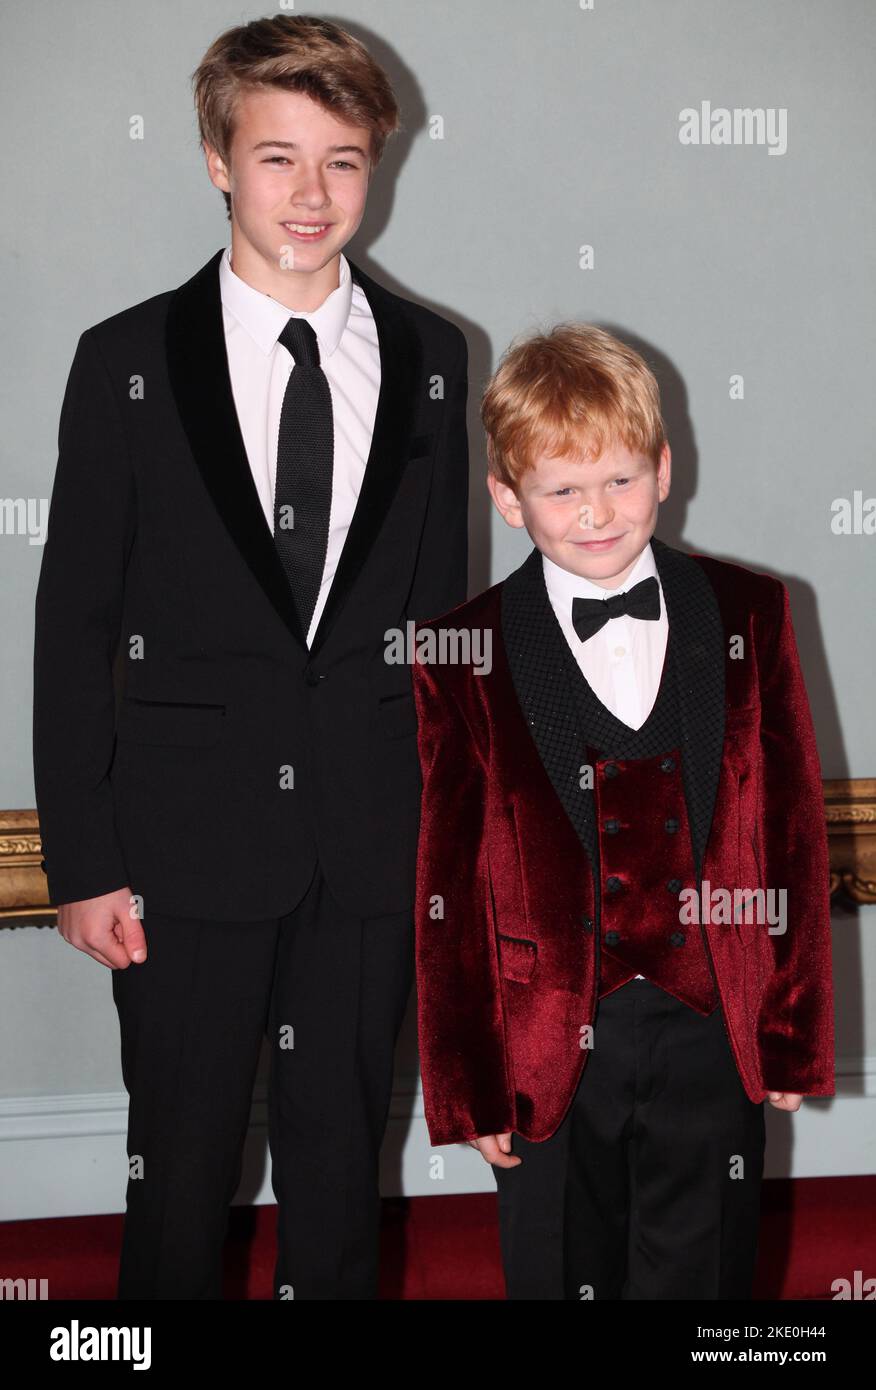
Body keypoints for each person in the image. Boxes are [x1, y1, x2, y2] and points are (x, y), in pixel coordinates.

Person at [33, 13, 469, 1300]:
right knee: (177, 1176)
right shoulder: (122, 363)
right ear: (218, 160)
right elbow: (72, 626)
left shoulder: (434, 360)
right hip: (176, 853)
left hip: (368, 844)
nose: (313, 195)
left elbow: (434, 625)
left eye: (343, 161)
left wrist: (440, 846)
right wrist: (86, 861)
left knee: (345, 1169)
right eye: (278, 158)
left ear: (376, 167)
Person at [411, 323, 834, 1299]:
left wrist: (792, 1032)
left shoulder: (751, 612)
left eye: (621, 480)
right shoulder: (461, 651)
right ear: (509, 499)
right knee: (561, 1269)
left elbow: (795, 835)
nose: (597, 513)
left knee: (712, 1277)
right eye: (562, 490)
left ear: (664, 467)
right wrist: (467, 1079)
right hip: (548, 1049)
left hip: (712, 1028)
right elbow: (447, 879)